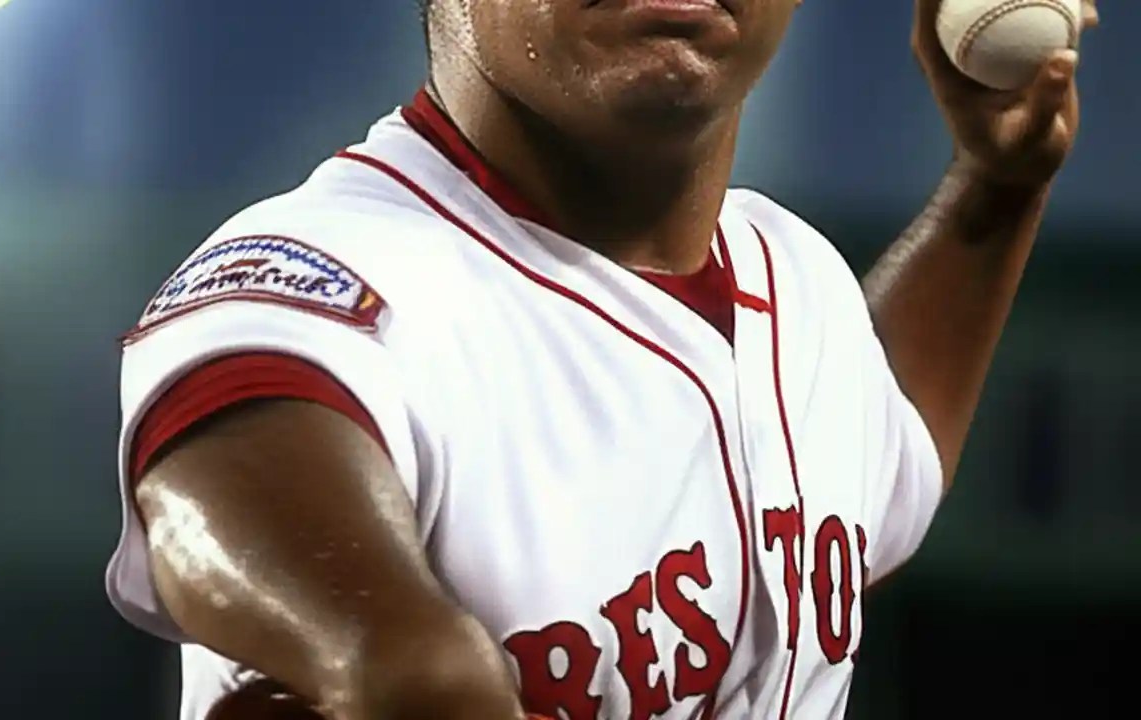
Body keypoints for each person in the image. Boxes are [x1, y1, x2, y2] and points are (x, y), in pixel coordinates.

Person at [105, 0, 1100, 718]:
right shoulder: (324, 271)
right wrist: (399, 663)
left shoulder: (792, 277)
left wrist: (993, 188)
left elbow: (870, 473)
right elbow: (222, 467)